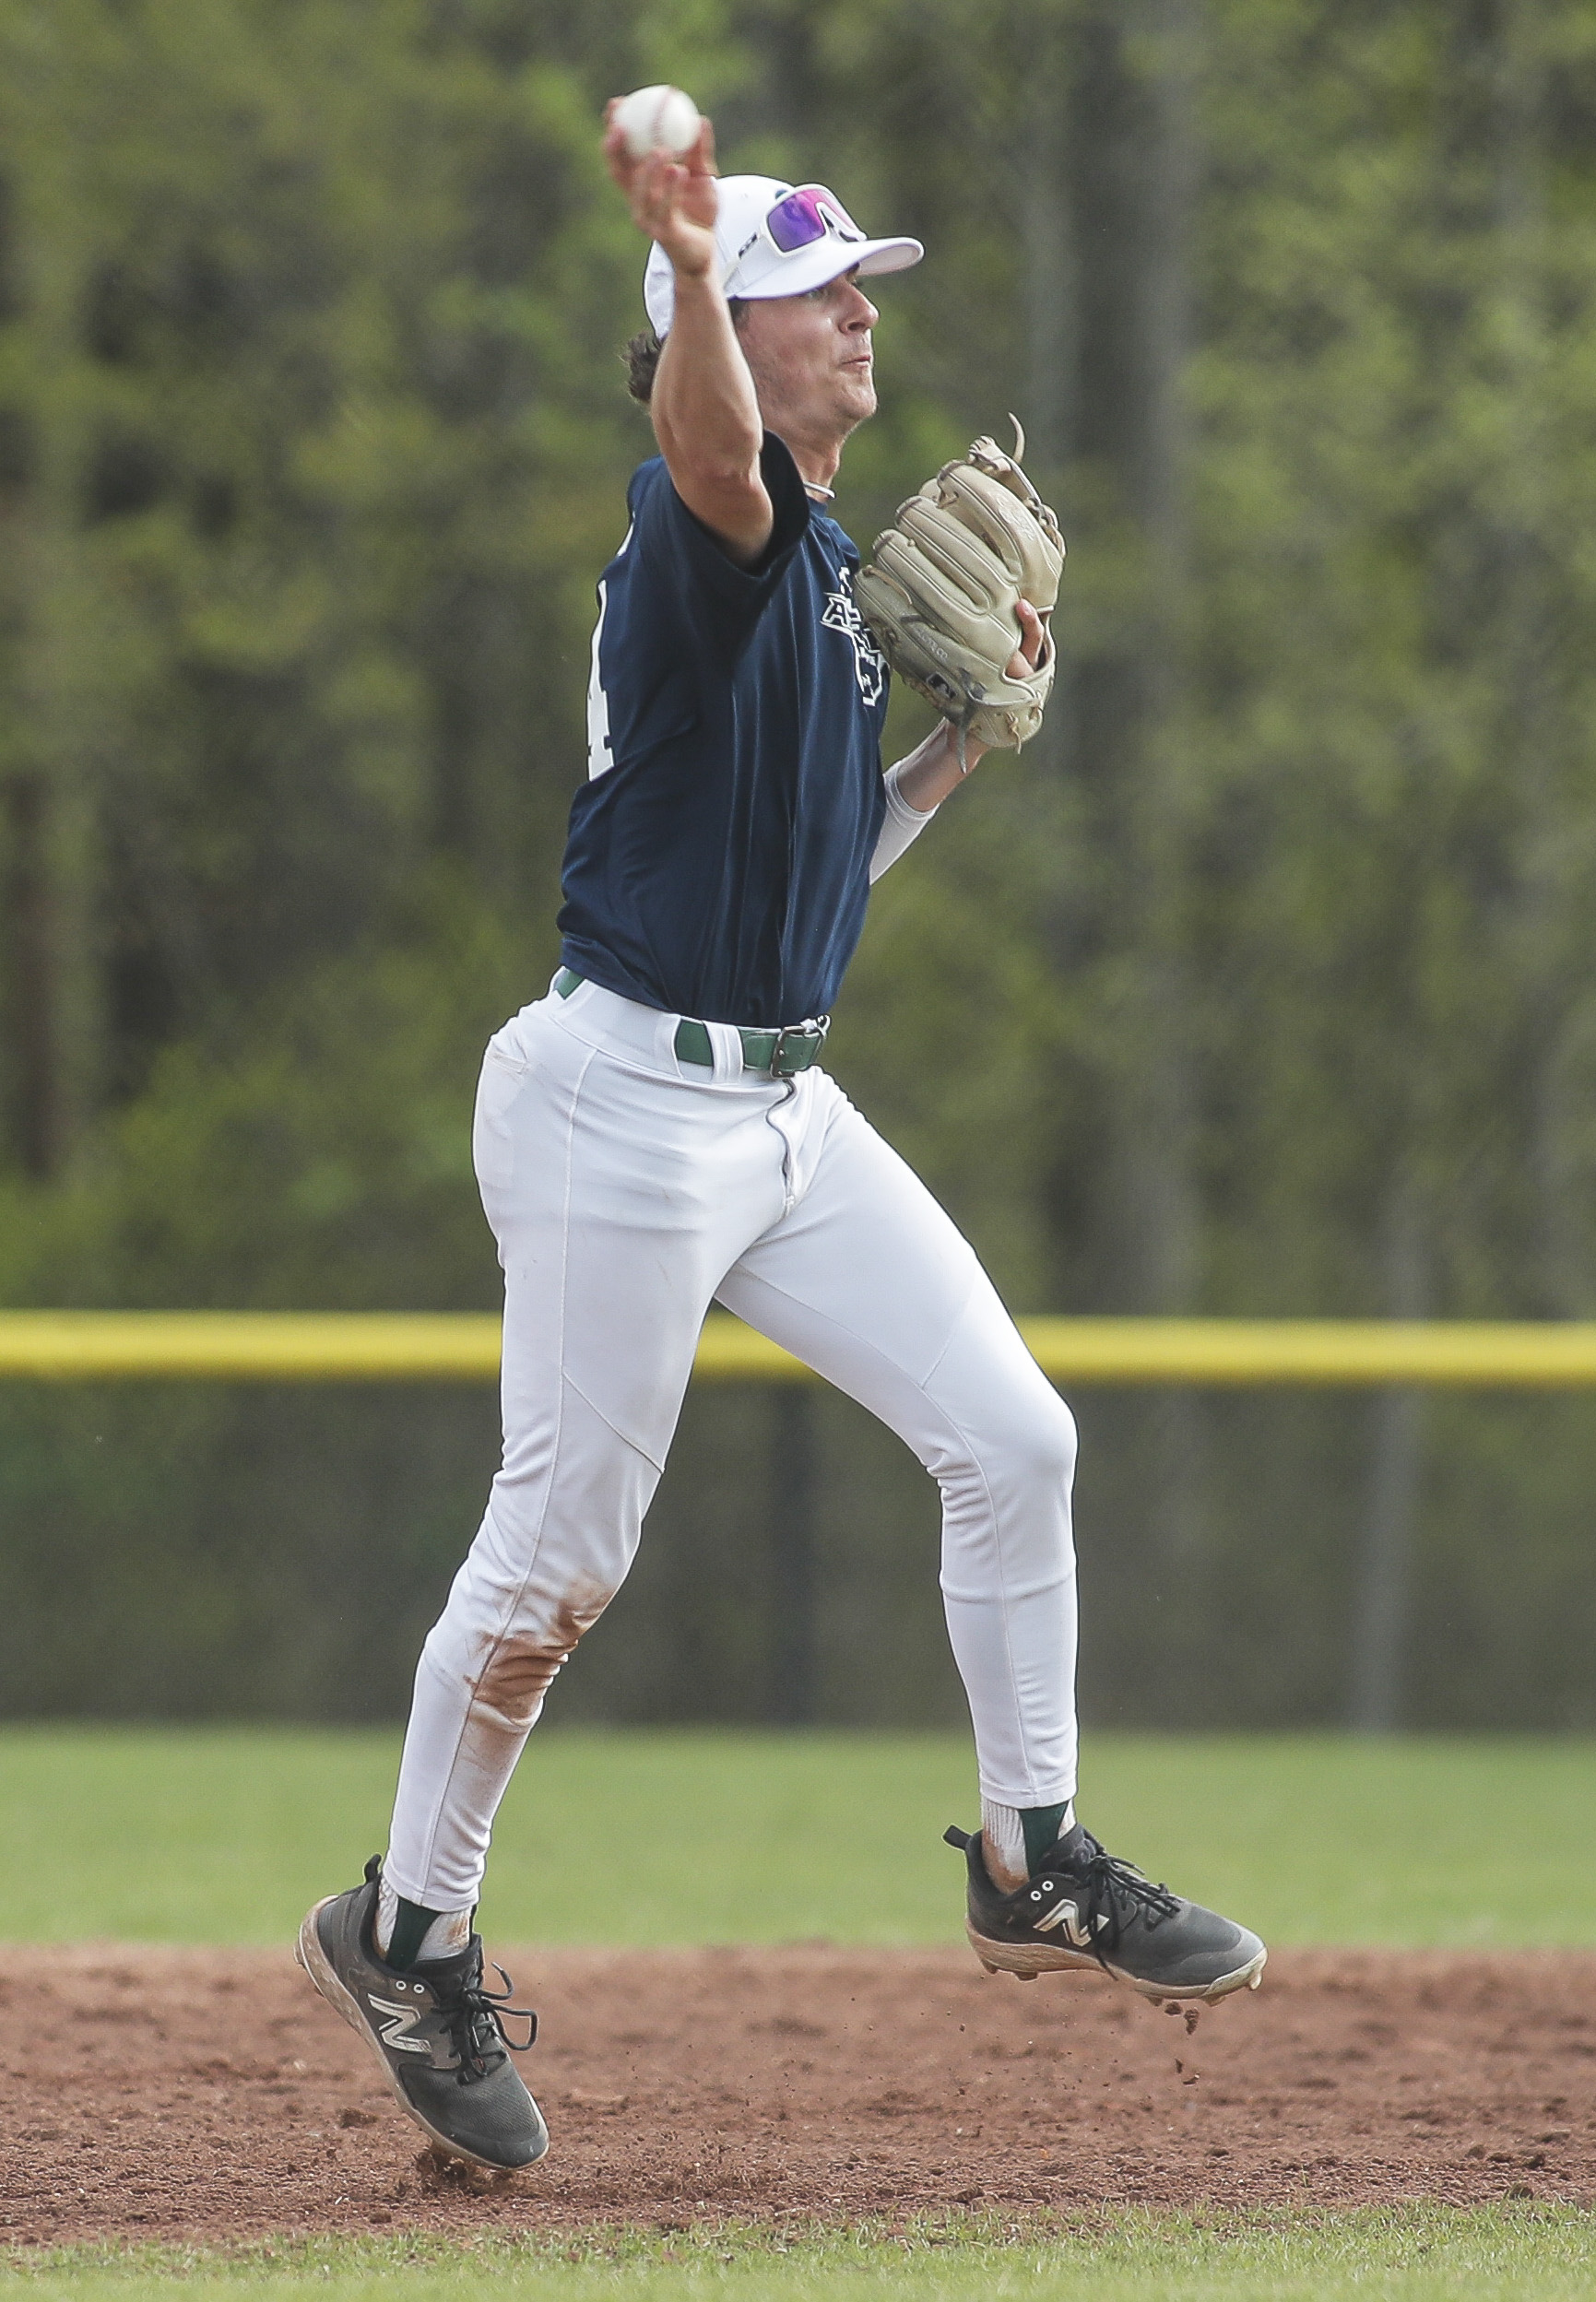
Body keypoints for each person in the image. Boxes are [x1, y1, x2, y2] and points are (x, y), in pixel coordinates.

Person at [296, 105, 1265, 2176]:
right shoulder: (706, 537)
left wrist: (956, 748)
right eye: (816, 290)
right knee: (558, 1563)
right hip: (619, 1110)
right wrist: (672, 248)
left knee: (1017, 1440)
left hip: (777, 1102)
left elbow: (818, 888)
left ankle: (1031, 1855)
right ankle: (409, 1932)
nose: (855, 316)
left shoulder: (824, 580)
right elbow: (715, 454)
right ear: (719, 329)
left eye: (852, 289)